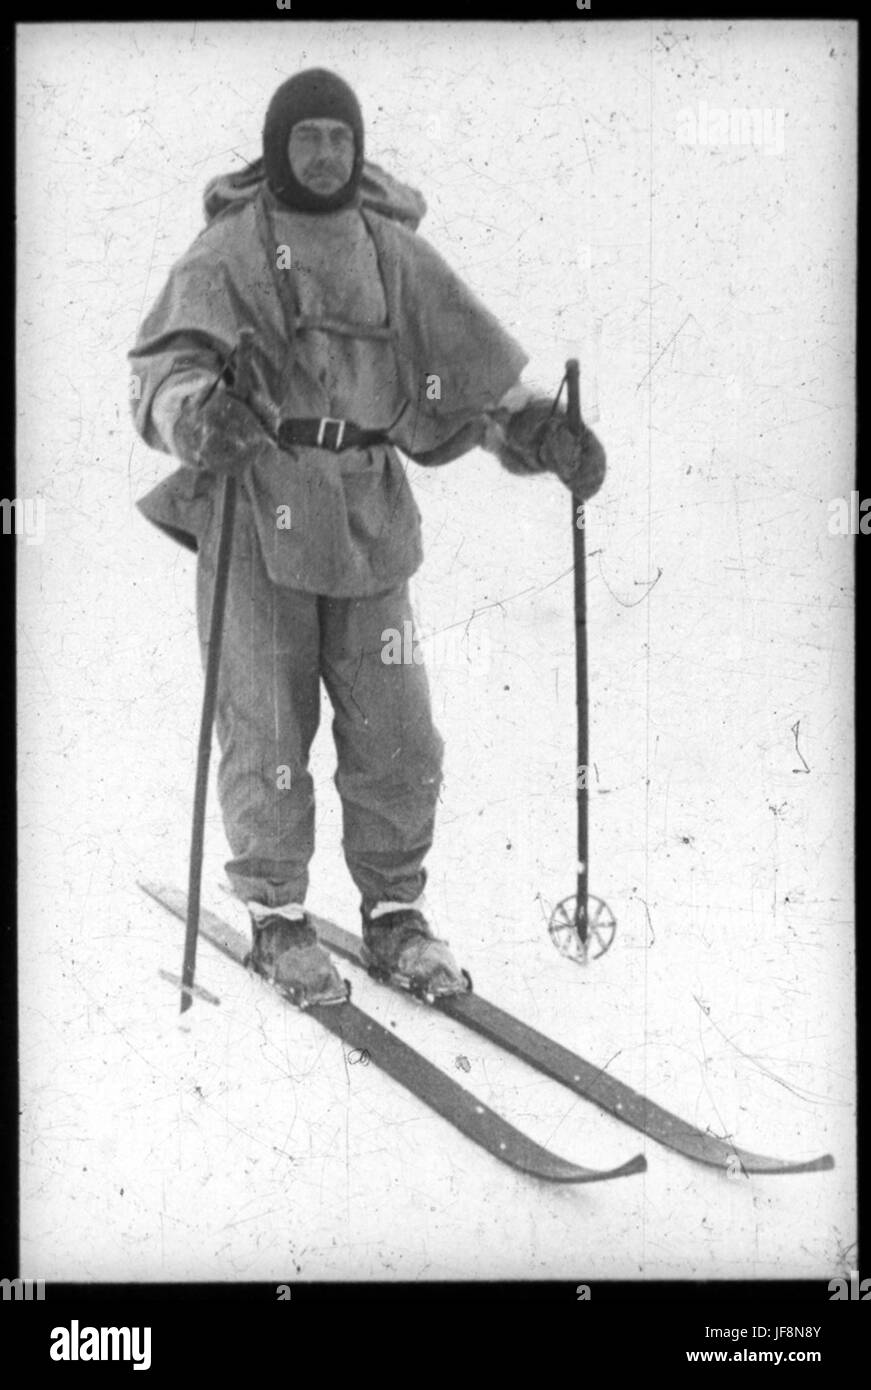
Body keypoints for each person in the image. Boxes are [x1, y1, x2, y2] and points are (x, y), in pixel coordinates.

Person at [129, 68, 606, 1008]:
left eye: (338, 139)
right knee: (265, 720)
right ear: (278, 146)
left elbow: (473, 376)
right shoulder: (228, 249)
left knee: (399, 730)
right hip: (257, 503)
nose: (323, 155)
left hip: (367, 514)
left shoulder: (392, 253)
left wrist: (540, 430)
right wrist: (199, 416)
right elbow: (166, 370)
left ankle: (394, 913)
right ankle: (275, 915)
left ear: (357, 147)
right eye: (306, 138)